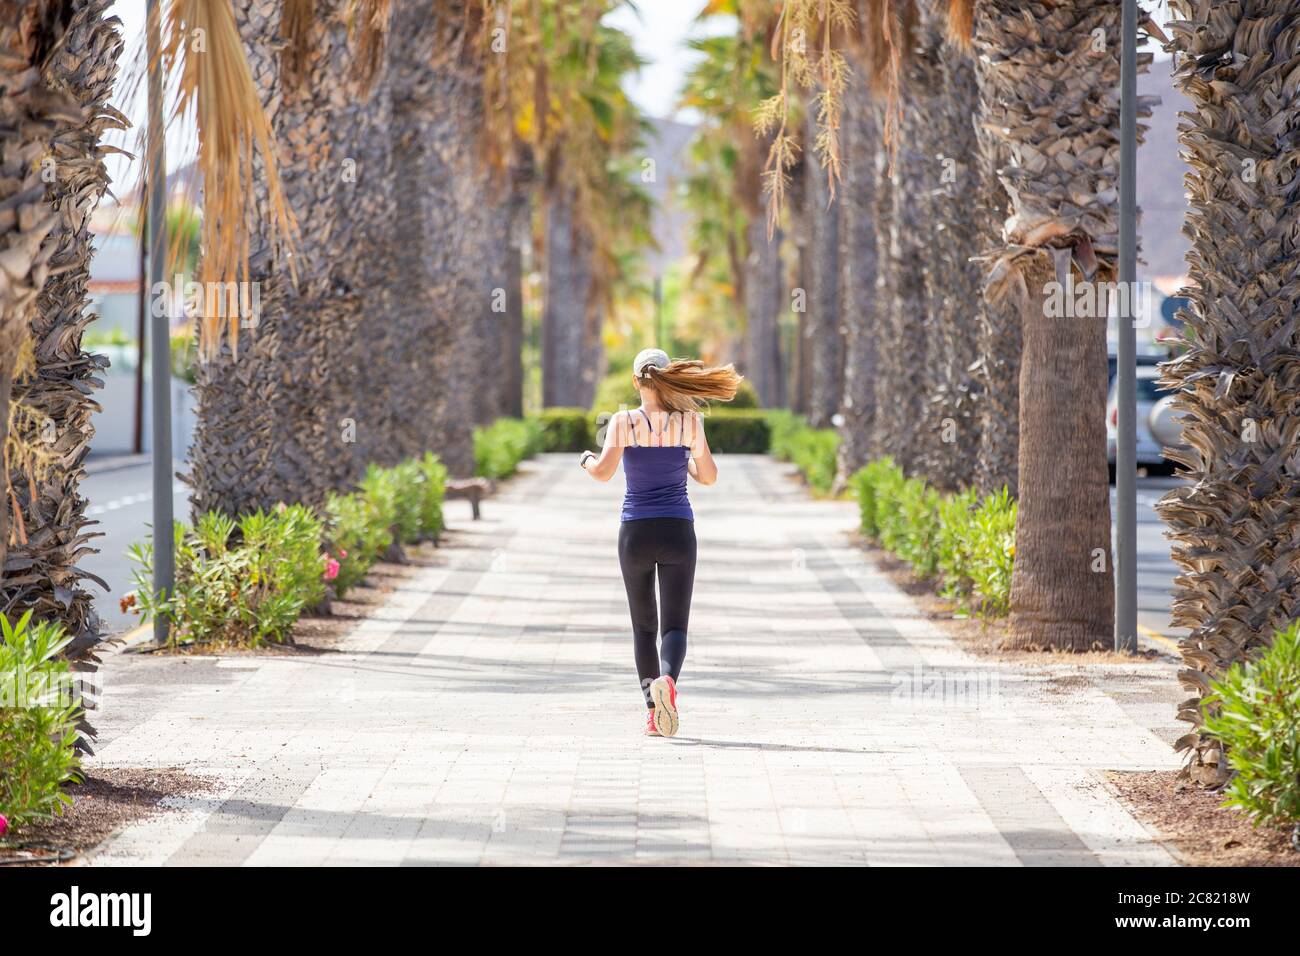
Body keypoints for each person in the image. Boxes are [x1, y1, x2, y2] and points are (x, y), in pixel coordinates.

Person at [578, 348, 742, 737]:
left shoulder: (622, 421)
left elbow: (603, 473)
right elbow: (709, 477)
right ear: (670, 380)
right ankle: (667, 681)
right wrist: (681, 463)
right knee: (675, 628)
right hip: (678, 531)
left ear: (636, 381)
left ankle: (653, 712)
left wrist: (585, 459)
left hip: (635, 532)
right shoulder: (690, 423)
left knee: (643, 628)